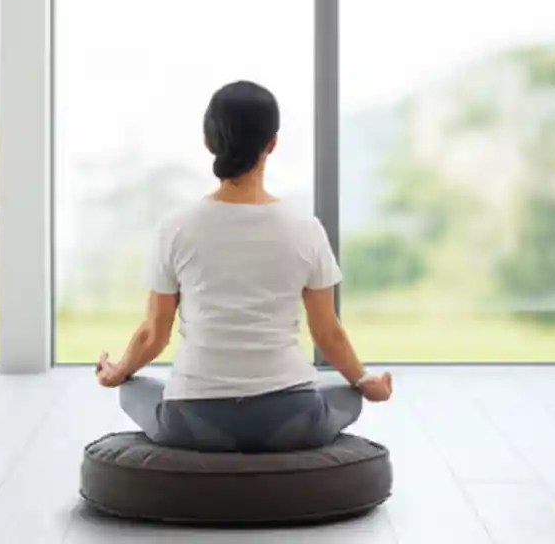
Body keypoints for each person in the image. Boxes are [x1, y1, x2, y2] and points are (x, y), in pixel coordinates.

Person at [94, 80, 393, 453]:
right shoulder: (306, 229)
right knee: (347, 394)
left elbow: (153, 334)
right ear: (272, 143)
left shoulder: (174, 227)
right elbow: (327, 332)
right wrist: (364, 381)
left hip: (193, 420)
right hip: (292, 416)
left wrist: (118, 372)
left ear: (208, 142)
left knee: (132, 389)